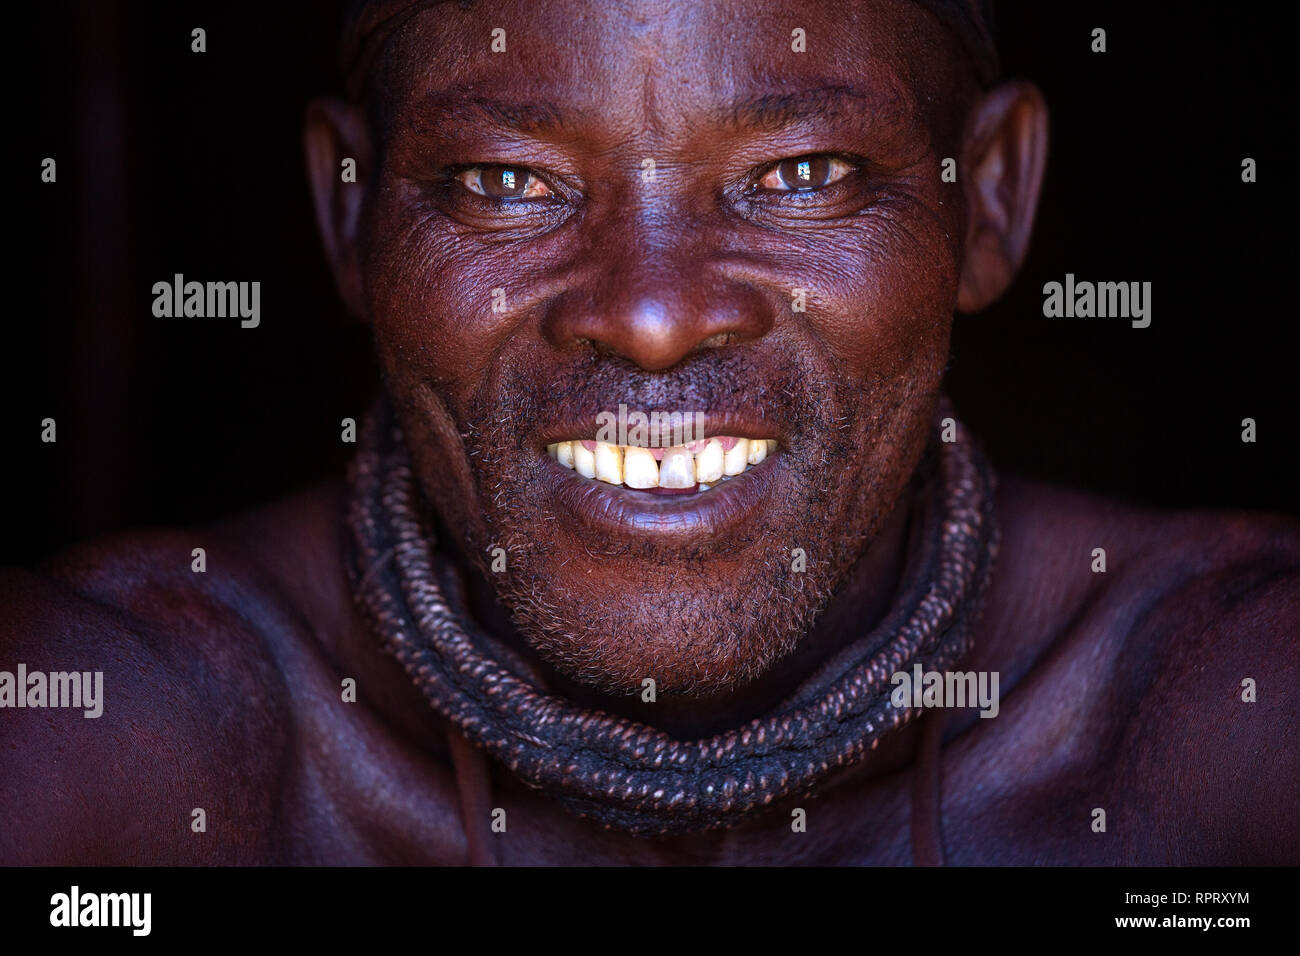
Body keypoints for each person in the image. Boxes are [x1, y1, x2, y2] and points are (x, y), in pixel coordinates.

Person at [2, 0, 1296, 865]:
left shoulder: (1224, 714)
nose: (658, 315)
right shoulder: (105, 737)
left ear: (994, 196)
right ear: (349, 217)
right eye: (510, 183)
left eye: (800, 174)